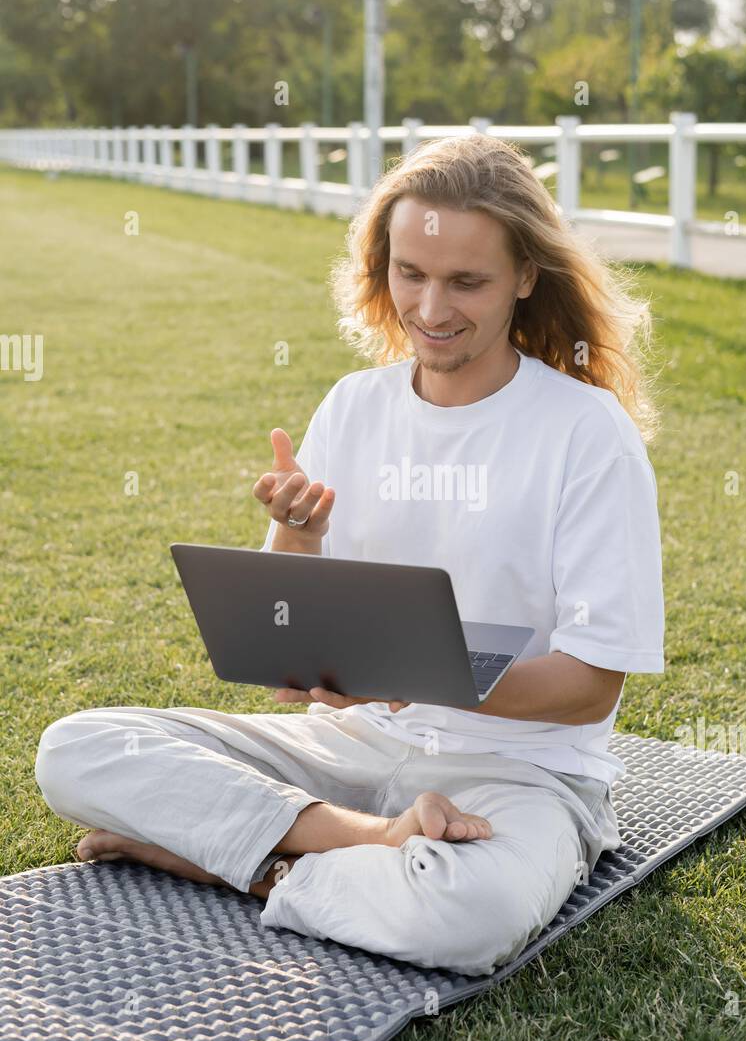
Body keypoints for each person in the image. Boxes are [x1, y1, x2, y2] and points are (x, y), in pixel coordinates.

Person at [35, 134, 665, 977]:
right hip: (349, 750)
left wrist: (413, 676)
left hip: (522, 775)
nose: (431, 308)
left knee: (470, 916)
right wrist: (299, 535)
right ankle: (359, 844)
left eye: (466, 281)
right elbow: (292, 654)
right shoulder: (354, 405)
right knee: (77, 746)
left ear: (525, 276)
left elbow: (591, 687)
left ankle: (237, 860)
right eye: (411, 273)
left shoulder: (589, 435)